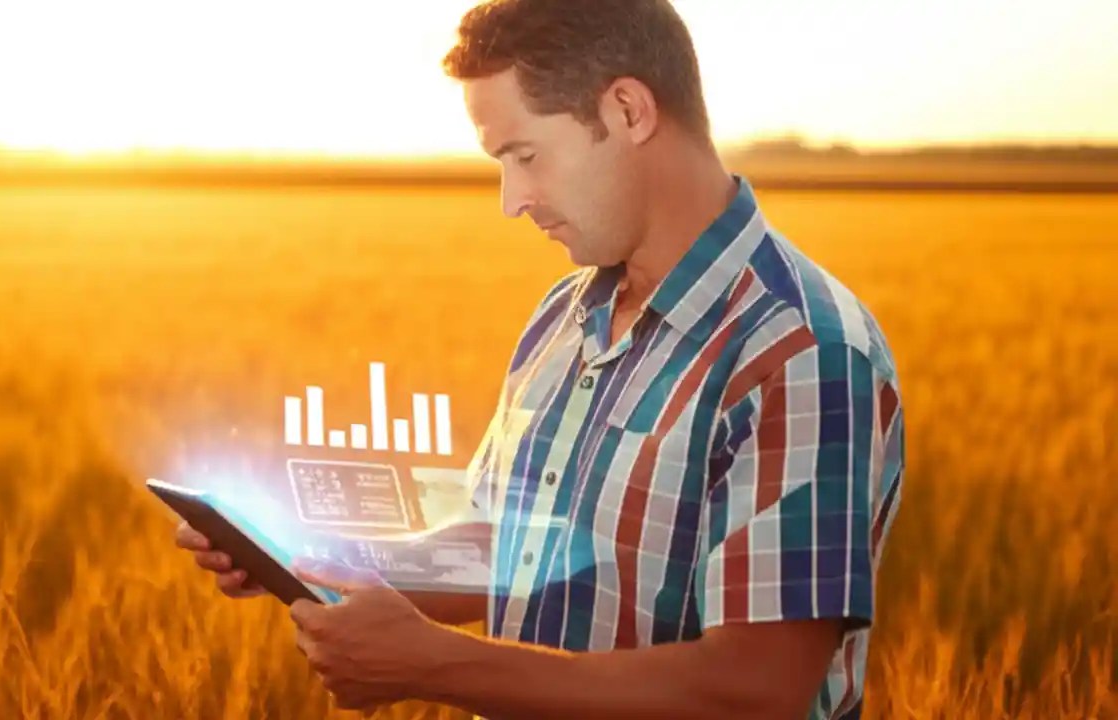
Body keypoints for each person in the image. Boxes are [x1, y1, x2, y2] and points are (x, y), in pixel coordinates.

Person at [175, 0, 905, 717]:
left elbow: (755, 690)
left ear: (627, 111)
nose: (511, 199)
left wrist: (433, 664)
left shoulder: (802, 349)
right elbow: (507, 549)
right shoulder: (565, 315)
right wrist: (308, 557)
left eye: (524, 156)